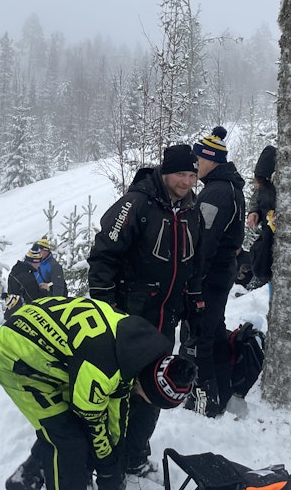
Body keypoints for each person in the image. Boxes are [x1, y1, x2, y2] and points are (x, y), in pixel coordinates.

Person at [0, 296, 196, 490]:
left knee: (75, 428)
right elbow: (93, 424)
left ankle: (26, 477)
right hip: (15, 356)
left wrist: (114, 459)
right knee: (66, 439)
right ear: (148, 389)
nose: (147, 403)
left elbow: (116, 410)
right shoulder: (103, 369)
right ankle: (49, 478)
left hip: (48, 341)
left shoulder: (139, 348)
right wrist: (108, 469)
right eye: (152, 401)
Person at [87, 143, 203, 478]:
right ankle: (105, 460)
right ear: (166, 171)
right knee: (118, 390)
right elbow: (103, 254)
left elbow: (197, 262)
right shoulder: (137, 203)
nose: (186, 181)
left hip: (166, 318)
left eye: (192, 175)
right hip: (127, 317)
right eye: (181, 174)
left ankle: (135, 455)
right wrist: (104, 305)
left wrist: (195, 301)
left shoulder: (191, 211)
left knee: (153, 388)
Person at [184, 126, 245, 417]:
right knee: (215, 330)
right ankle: (223, 386)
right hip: (222, 273)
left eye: (199, 159)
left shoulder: (216, 194)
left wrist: (193, 280)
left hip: (210, 277)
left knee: (201, 334)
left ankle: (203, 400)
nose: (196, 165)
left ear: (212, 160)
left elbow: (202, 243)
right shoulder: (227, 188)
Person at [239, 145, 277, 287]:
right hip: (267, 239)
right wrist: (255, 213)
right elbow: (260, 203)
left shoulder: (281, 186)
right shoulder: (264, 187)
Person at [4, 243, 46, 319]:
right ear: (34, 261)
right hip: (23, 315)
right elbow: (35, 300)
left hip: (13, 312)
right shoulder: (27, 277)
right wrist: (44, 290)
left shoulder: (16, 270)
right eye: (39, 262)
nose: (39, 265)